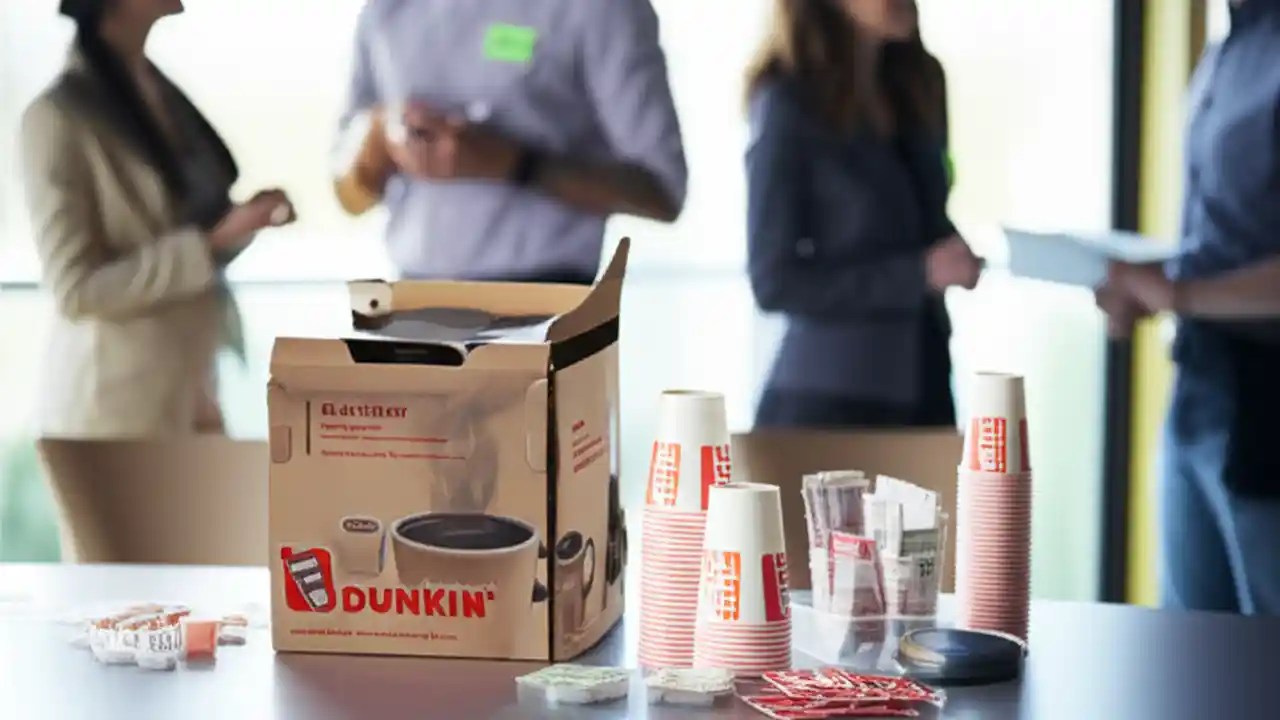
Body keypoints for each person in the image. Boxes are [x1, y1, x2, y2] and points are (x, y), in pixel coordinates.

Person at [20, 0, 295, 437]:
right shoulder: (57, 117)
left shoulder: (155, 90)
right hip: (116, 413)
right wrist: (208, 244)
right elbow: (76, 289)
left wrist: (241, 225)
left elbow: (187, 235)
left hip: (194, 390)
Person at [1097, 0, 1280, 615]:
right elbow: (1225, 237)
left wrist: (1180, 295)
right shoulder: (1229, 42)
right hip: (1199, 385)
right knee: (1187, 643)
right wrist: (1152, 288)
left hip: (1266, 408)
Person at [744, 0, 982, 430]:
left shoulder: (920, 84)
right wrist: (918, 274)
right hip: (829, 404)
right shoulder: (788, 102)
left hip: (927, 392)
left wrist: (955, 256)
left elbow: (923, 222)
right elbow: (773, 282)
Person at [332, 0, 687, 285]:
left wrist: (516, 163)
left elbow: (663, 192)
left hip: (549, 303)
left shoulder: (603, 9)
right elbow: (343, 188)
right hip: (411, 303)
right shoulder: (384, 12)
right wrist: (382, 134)